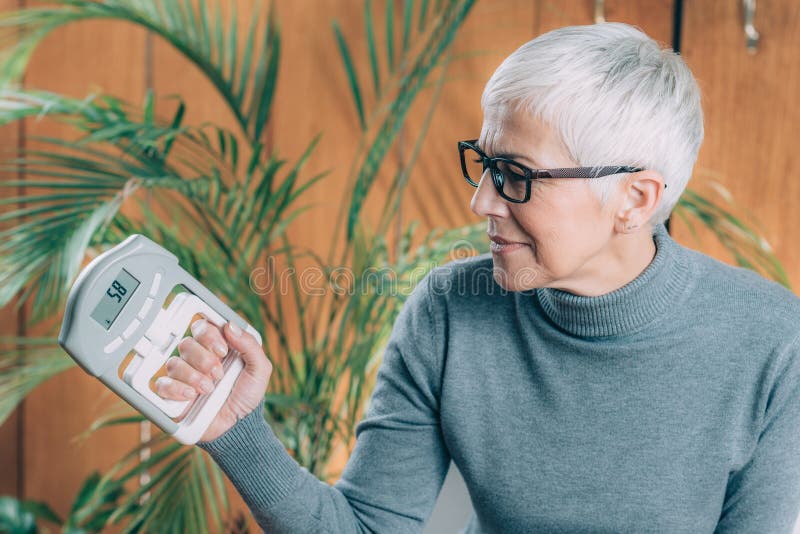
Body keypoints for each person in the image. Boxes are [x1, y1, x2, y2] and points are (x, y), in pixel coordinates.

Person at [158, 22, 800, 533]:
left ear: (634, 200)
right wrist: (234, 429)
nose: (483, 202)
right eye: (485, 163)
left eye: (517, 174)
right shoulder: (449, 310)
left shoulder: (771, 341)